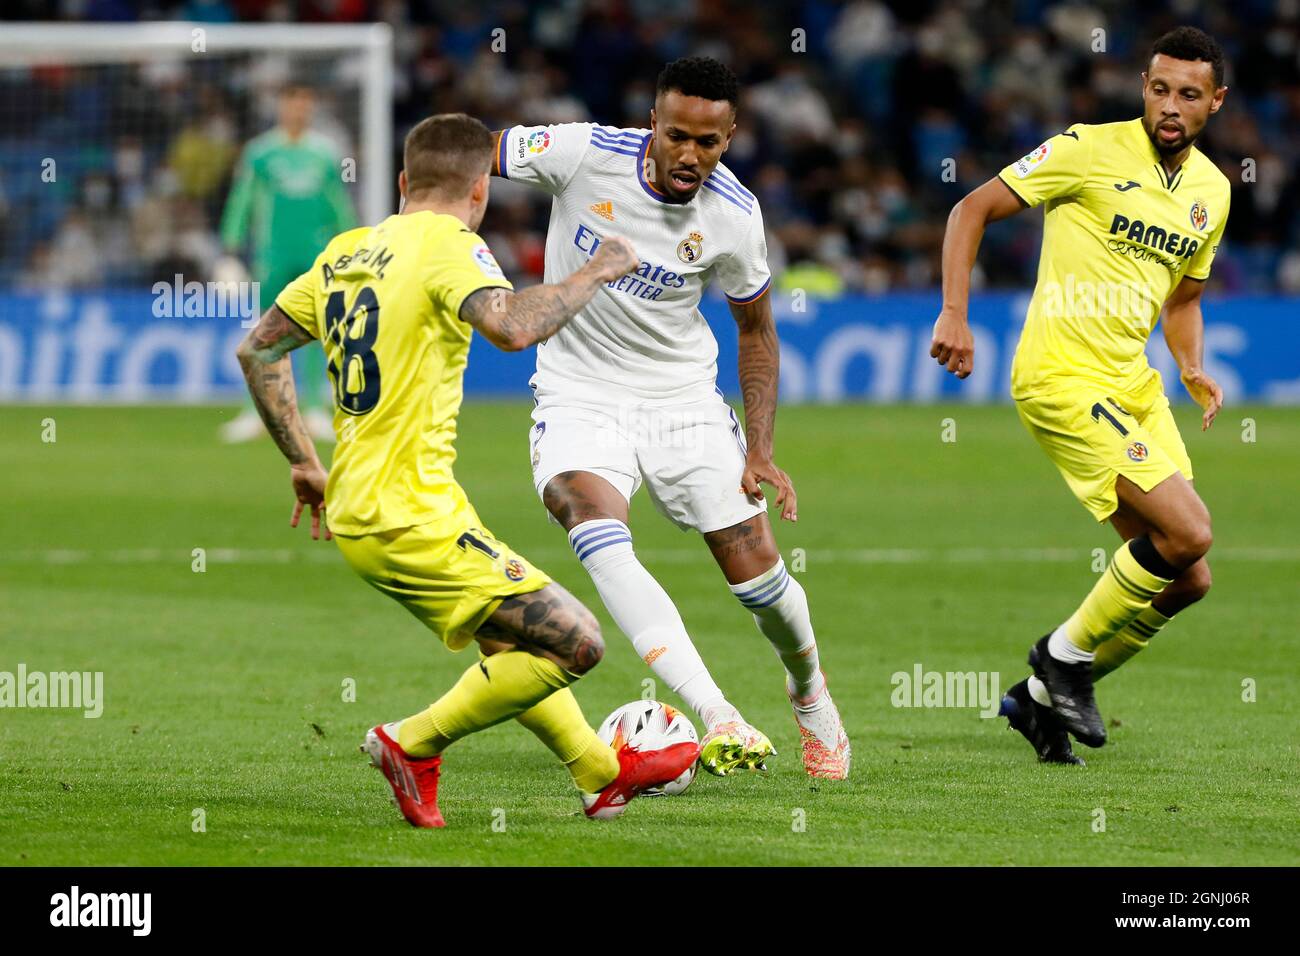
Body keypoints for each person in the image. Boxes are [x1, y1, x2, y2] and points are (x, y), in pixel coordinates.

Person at [235, 112, 697, 827]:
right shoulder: (451, 245)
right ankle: (410, 742)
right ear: (480, 190)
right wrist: (600, 270)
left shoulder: (345, 252)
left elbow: (258, 350)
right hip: (409, 513)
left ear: (400, 183)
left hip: (369, 507)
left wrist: (304, 460)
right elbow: (511, 326)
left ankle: (600, 774)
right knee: (576, 642)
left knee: (509, 644)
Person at [493, 56, 850, 779]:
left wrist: (760, 450)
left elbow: (755, 332)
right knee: (588, 518)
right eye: (677, 135)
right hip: (577, 392)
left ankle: (810, 692)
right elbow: (476, 152)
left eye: (709, 143)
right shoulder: (586, 153)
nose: (691, 156)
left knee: (754, 571)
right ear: (652, 123)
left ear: (732, 136)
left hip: (681, 400)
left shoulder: (735, 214)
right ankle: (718, 714)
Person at [929, 27, 1231, 764]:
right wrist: (955, 313)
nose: (1169, 105)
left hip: (1135, 385)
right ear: (1144, 87)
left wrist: (1190, 365)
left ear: (1214, 102)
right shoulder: (1084, 148)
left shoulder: (1213, 192)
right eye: (1159, 88)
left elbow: (1184, 299)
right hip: (1062, 375)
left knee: (1188, 577)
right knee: (1189, 530)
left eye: (1188, 95)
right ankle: (1061, 659)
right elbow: (968, 210)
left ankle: (1034, 701)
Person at [222, 84, 356, 443]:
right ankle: (256, 410)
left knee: (316, 329)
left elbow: (336, 202)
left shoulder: (324, 153)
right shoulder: (261, 153)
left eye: (305, 105)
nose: (299, 111)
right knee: (264, 328)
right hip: (271, 253)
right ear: (282, 107)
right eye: (293, 104)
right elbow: (243, 198)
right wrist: (231, 244)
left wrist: (352, 240)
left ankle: (314, 407)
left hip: (315, 253)